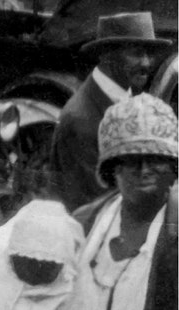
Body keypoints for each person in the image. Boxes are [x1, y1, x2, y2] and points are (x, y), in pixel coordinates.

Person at [54, 94, 177, 310]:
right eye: (130, 160)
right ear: (112, 169)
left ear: (174, 165)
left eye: (156, 159)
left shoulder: (175, 234)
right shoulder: (84, 224)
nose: (144, 170)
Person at [48, 12, 168, 211]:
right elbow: (93, 211)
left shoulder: (129, 99)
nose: (146, 63)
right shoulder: (82, 121)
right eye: (137, 53)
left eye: (149, 54)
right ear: (107, 56)